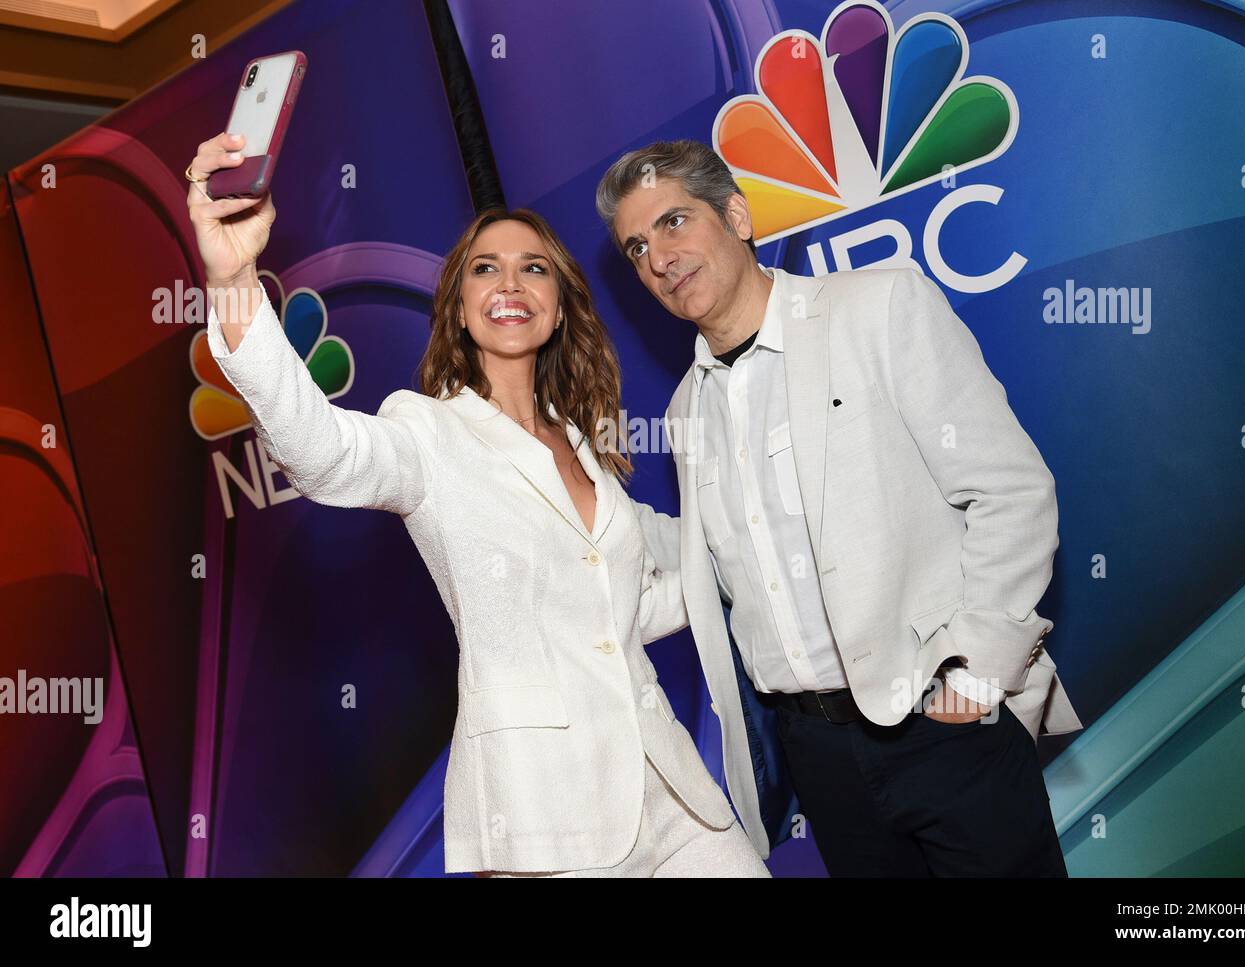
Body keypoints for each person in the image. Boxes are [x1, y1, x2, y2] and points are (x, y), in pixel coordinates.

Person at [184, 132, 769, 878]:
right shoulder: (428, 433)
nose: (510, 283)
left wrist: (759, 548)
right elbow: (322, 452)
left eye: (534, 268)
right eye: (485, 268)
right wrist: (235, 279)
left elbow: (619, 613)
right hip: (548, 822)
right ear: (460, 309)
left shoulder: (583, 446)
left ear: (558, 306)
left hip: (674, 794)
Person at [595, 139, 1084, 876]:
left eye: (674, 222)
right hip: (819, 758)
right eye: (636, 247)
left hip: (944, 723)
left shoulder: (877, 309)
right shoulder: (685, 407)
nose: (659, 258)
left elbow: (1010, 490)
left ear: (737, 216)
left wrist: (976, 675)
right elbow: (720, 563)